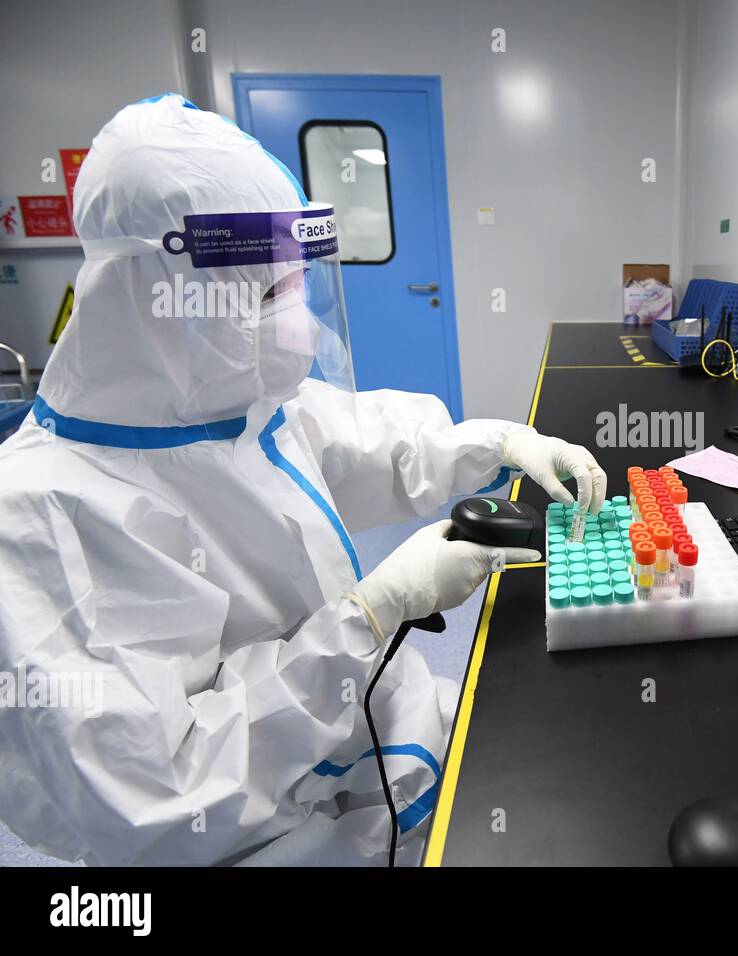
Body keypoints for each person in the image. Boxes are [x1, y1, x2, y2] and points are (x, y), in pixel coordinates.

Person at [0, 94, 605, 866]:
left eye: (296, 284)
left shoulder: (236, 401)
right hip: (277, 841)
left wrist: (500, 441)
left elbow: (366, 444)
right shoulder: (38, 518)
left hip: (382, 738)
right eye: (269, 293)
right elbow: (159, 794)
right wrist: (375, 614)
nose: (300, 324)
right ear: (164, 300)